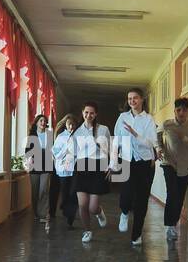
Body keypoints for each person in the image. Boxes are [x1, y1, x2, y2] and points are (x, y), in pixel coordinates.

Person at [112, 87, 157, 246]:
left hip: (144, 162)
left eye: (135, 98)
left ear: (142, 99)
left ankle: (136, 235)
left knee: (141, 200)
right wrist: (112, 162)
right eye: (130, 98)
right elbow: (116, 140)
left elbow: (151, 143)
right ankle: (124, 212)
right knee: (126, 194)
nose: (132, 101)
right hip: (125, 160)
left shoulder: (148, 120)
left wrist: (135, 134)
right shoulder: (122, 117)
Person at [157, 97, 188, 240]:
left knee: (179, 197)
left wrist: (185, 138)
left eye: (185, 110)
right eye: (179, 110)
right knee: (172, 194)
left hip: (186, 166)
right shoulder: (167, 124)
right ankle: (170, 227)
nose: (181, 113)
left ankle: (174, 223)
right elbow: (157, 136)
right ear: (174, 111)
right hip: (169, 163)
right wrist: (159, 148)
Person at [72, 102, 112, 243]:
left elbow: (111, 149)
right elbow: (74, 152)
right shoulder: (77, 131)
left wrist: (110, 165)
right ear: (82, 112)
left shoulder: (103, 130)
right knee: (82, 205)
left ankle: (99, 212)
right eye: (86, 112)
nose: (89, 115)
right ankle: (88, 231)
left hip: (98, 167)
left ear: (96, 114)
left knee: (92, 207)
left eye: (92, 113)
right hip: (81, 167)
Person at [51, 113, 80, 227]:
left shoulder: (78, 136)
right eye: (69, 124)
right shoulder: (60, 137)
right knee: (65, 192)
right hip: (63, 169)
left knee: (73, 193)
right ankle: (64, 206)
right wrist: (66, 149)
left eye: (73, 124)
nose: (71, 127)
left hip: (75, 169)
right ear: (65, 124)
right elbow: (56, 154)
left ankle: (70, 217)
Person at [23, 114, 51, 222]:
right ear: (37, 122)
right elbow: (27, 151)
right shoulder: (31, 136)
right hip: (34, 166)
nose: (43, 123)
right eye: (41, 121)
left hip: (46, 165)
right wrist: (30, 160)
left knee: (43, 190)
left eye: (44, 121)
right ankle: (36, 213)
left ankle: (43, 215)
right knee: (35, 191)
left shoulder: (49, 135)